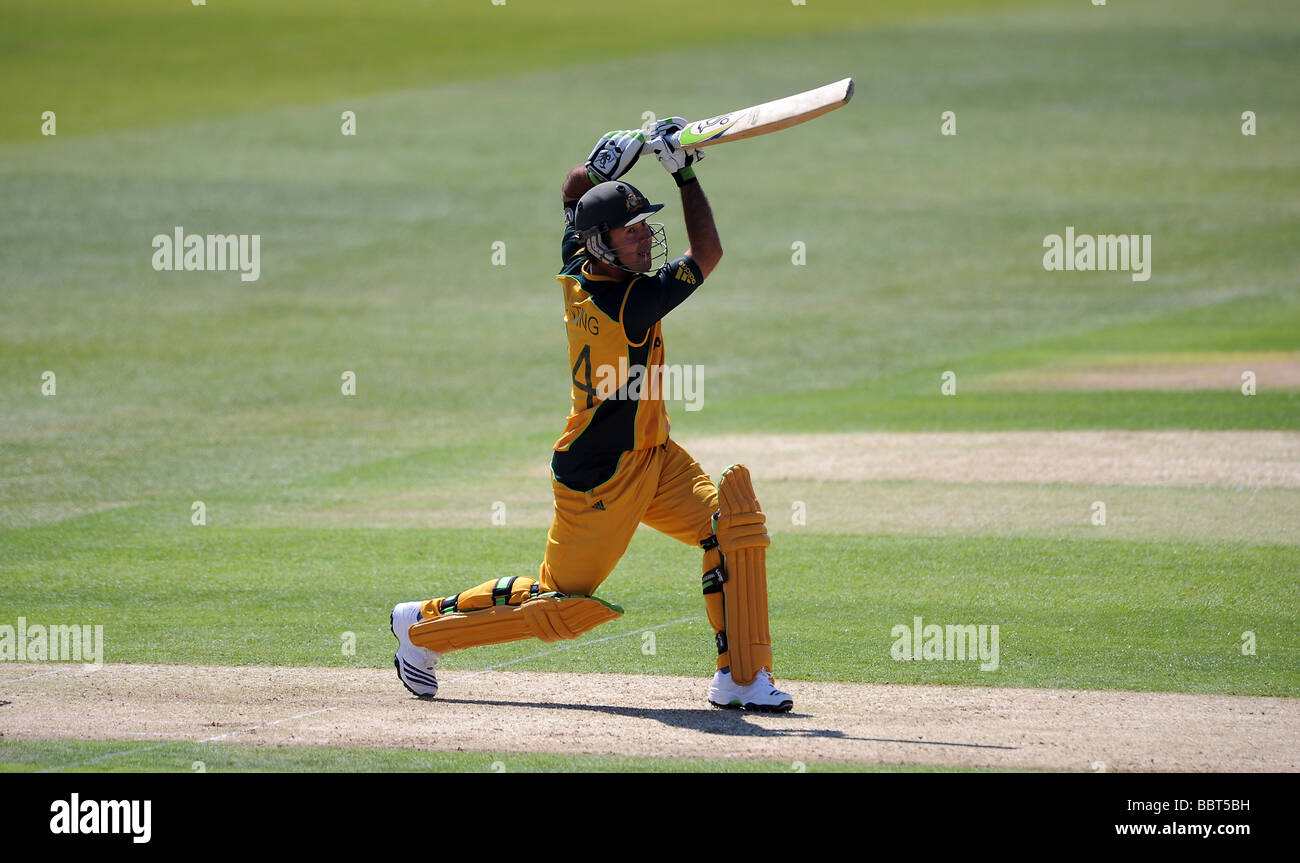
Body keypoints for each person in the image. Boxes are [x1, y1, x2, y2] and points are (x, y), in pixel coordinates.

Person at [389, 121, 792, 712]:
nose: (643, 241)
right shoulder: (627, 302)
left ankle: (742, 677)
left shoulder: (578, 260)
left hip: (656, 455)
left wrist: (606, 160)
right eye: (629, 235)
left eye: (641, 229)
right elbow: (708, 253)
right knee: (561, 603)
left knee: (731, 530)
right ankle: (420, 628)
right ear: (603, 243)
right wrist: (682, 170)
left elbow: (571, 198)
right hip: (600, 474)